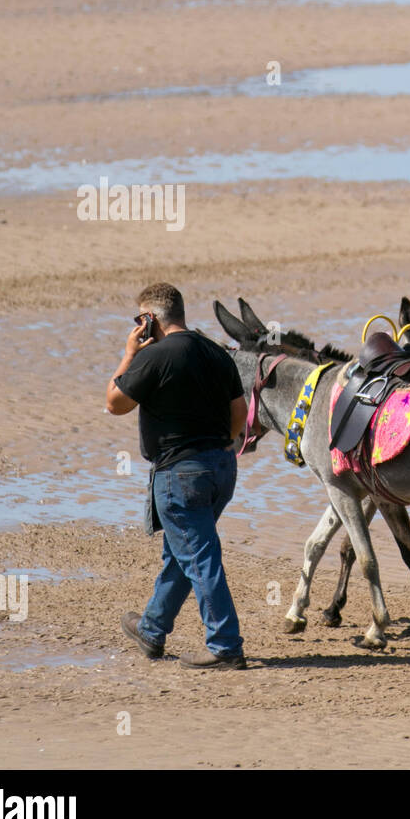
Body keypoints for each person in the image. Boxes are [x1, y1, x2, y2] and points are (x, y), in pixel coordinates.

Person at [105, 283, 249, 670]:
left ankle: (225, 646)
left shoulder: (153, 356)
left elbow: (114, 403)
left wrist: (129, 353)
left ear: (150, 319)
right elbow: (240, 413)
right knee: (182, 552)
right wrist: (224, 445)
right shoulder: (217, 352)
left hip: (179, 475)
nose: (138, 327)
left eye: (139, 320)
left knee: (199, 557)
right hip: (221, 468)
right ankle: (152, 629)